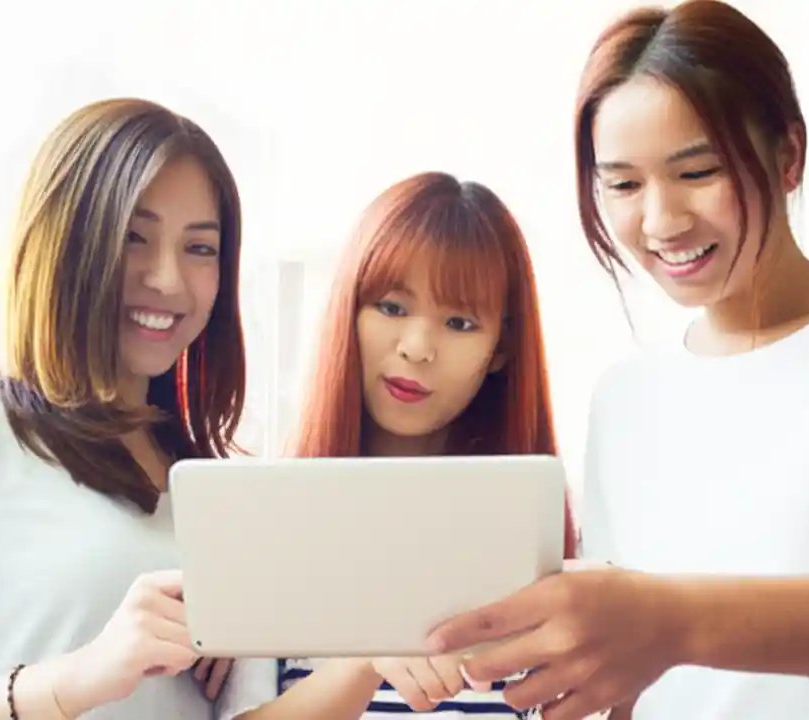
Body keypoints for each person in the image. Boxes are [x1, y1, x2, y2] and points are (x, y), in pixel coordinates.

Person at [424, 2, 809, 719]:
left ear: (789, 155)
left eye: (697, 170)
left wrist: (669, 619)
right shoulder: (625, 395)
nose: (661, 221)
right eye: (622, 184)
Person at [0, 98, 271, 718]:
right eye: (134, 237)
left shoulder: (215, 485)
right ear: (67, 242)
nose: (167, 279)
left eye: (200, 248)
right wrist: (82, 676)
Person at [232, 171, 578, 719]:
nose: (417, 349)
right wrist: (368, 659)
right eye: (391, 308)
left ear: (502, 350)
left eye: (460, 322)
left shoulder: (528, 532)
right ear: (349, 310)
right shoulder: (274, 515)